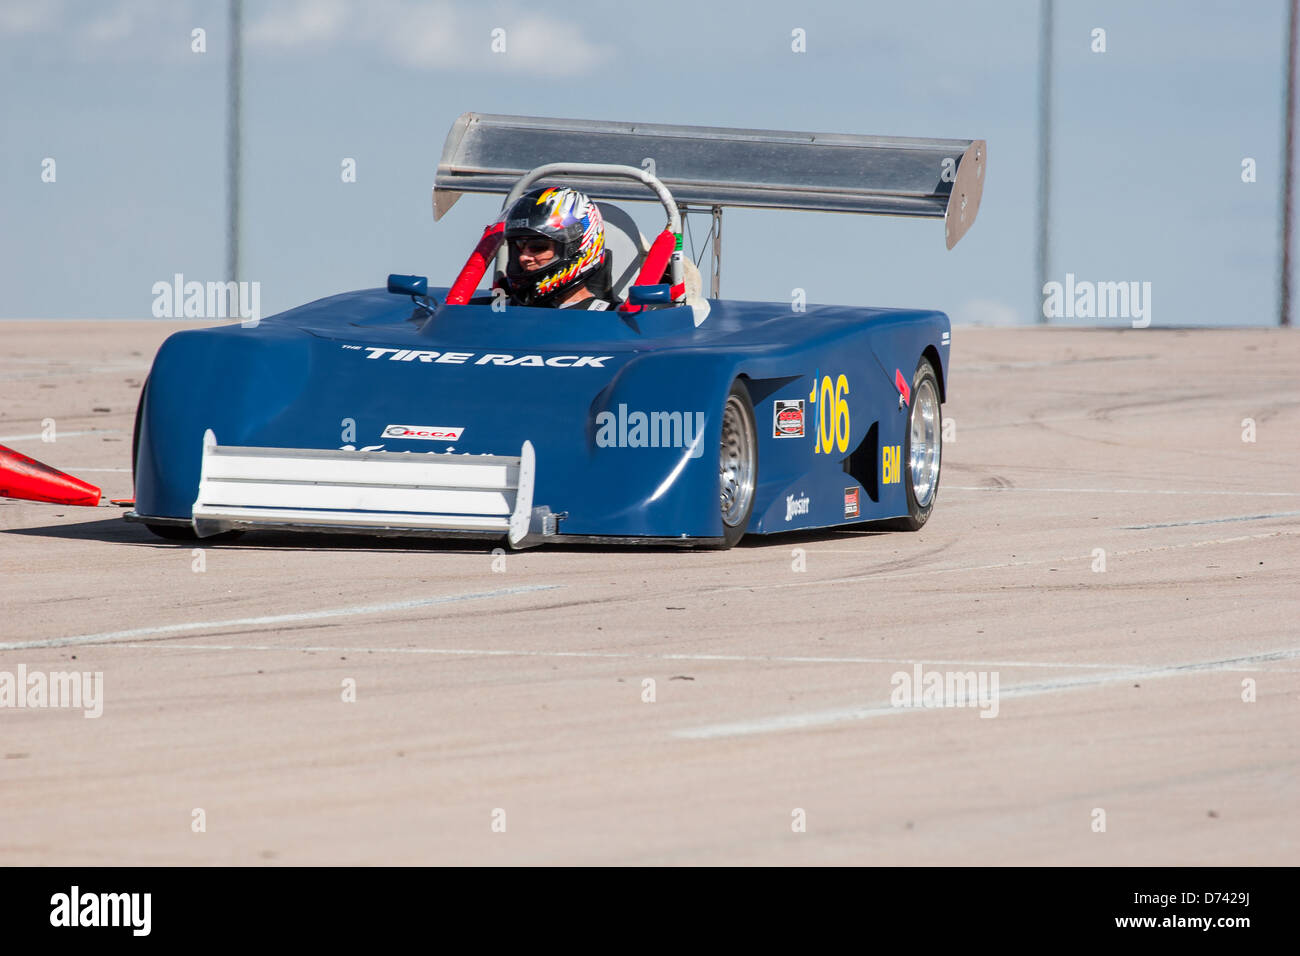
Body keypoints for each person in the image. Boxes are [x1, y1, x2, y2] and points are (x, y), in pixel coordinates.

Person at [497, 186, 620, 310]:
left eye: (538, 247)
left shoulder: (611, 317)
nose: (523, 257)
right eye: (519, 246)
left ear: (574, 248)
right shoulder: (498, 310)